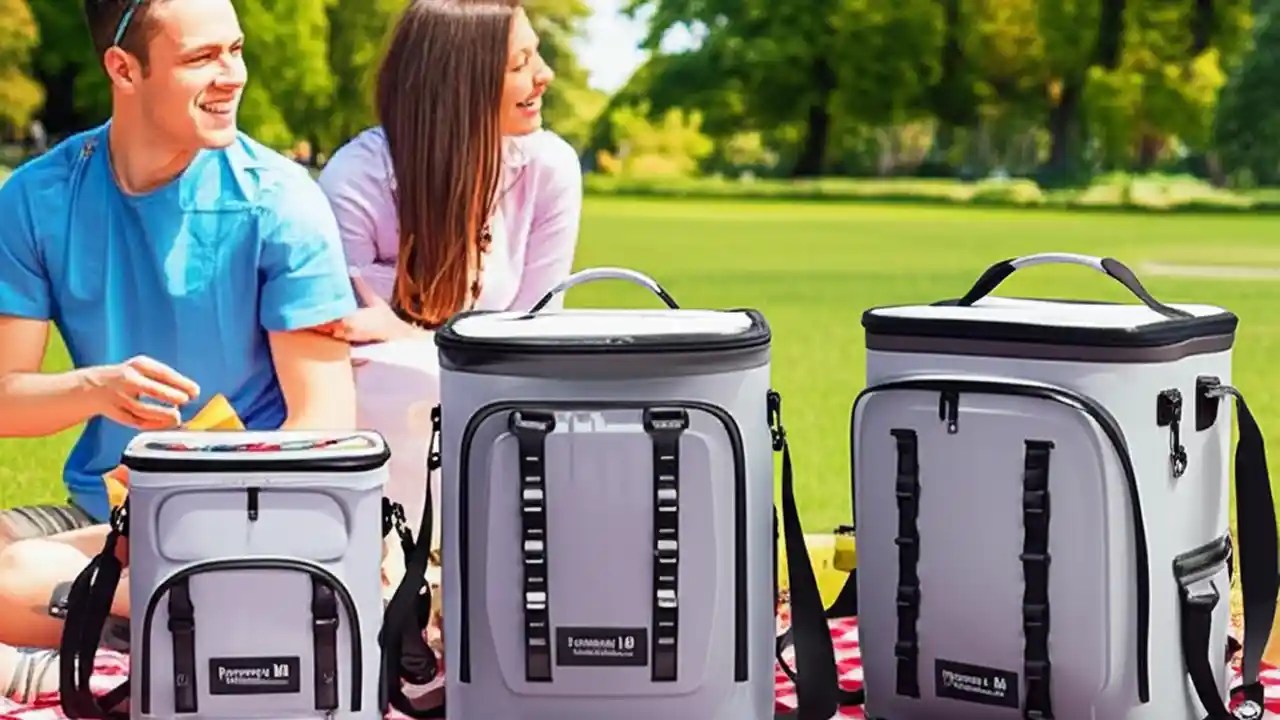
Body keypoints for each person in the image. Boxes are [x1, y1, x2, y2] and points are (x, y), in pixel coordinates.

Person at [0, 0, 359, 663]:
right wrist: (96, 389)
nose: (232, 76)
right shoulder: (35, 199)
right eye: (201, 57)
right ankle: (152, 630)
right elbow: (5, 400)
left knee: (13, 581)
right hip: (101, 521)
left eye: (236, 49)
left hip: (252, 516)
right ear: (123, 68)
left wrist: (181, 507)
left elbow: (324, 423)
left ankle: (111, 638)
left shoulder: (282, 203)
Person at [315, 0, 584, 344]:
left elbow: (534, 343)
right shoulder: (355, 185)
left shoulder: (547, 169)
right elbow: (345, 345)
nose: (545, 75)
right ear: (459, 85)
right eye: (519, 64)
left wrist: (405, 335)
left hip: (498, 396)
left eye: (537, 54)